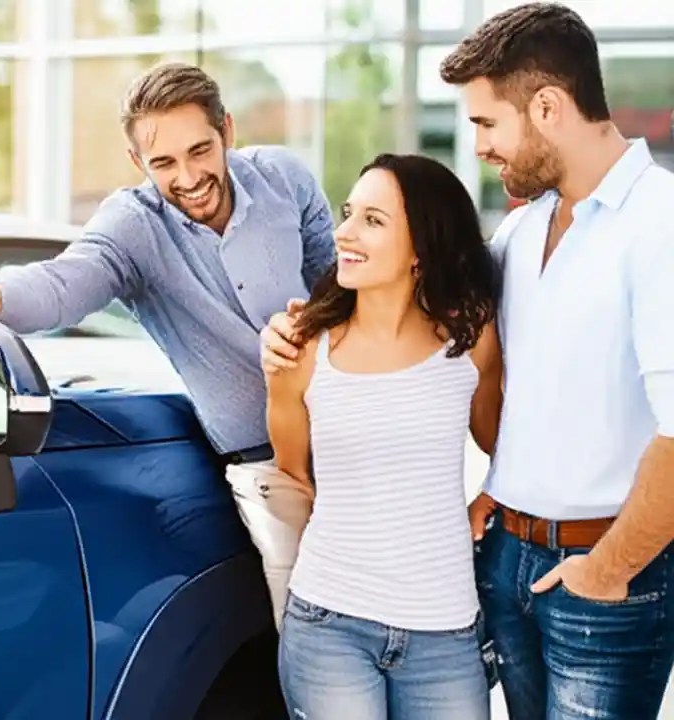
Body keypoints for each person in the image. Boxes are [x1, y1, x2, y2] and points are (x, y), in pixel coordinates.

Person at [264, 4, 674, 718]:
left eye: (486, 123)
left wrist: (608, 571)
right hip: (503, 564)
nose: (479, 146)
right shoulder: (522, 231)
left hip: (604, 577)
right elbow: (478, 370)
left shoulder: (659, 224)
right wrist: (503, 489)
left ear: (546, 107)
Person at [0, 61, 335, 625]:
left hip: (352, 435)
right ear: (137, 162)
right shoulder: (134, 225)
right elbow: (66, 281)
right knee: (312, 632)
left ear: (227, 131)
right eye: (163, 163)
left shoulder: (283, 178)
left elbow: (341, 289)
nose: (189, 177)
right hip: (267, 471)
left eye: (200, 151)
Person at [263, 153, 501, 719]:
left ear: (422, 247)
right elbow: (294, 474)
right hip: (329, 623)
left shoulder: (471, 339)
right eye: (348, 213)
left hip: (445, 629)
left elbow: (504, 446)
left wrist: (493, 495)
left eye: (372, 220)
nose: (343, 232)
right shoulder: (302, 349)